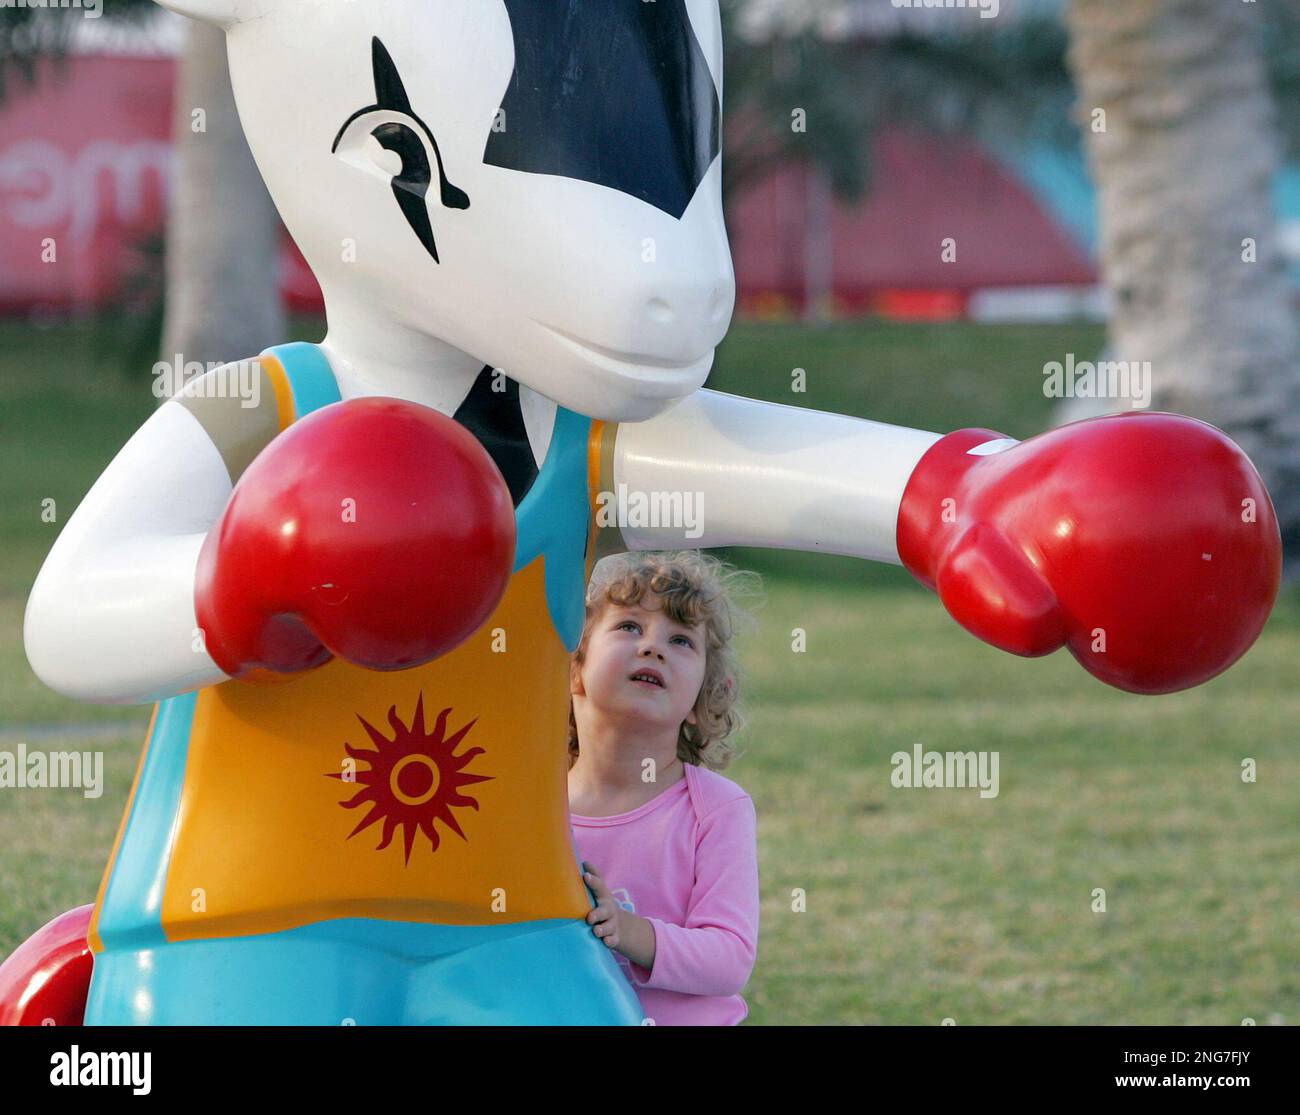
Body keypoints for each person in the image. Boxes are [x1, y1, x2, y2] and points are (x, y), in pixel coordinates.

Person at [568, 550, 763, 1025]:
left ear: (701, 699)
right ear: (574, 669)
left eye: (681, 640)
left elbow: (729, 958)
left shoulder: (716, 809)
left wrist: (629, 931)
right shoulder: (529, 802)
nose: (653, 647)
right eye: (629, 627)